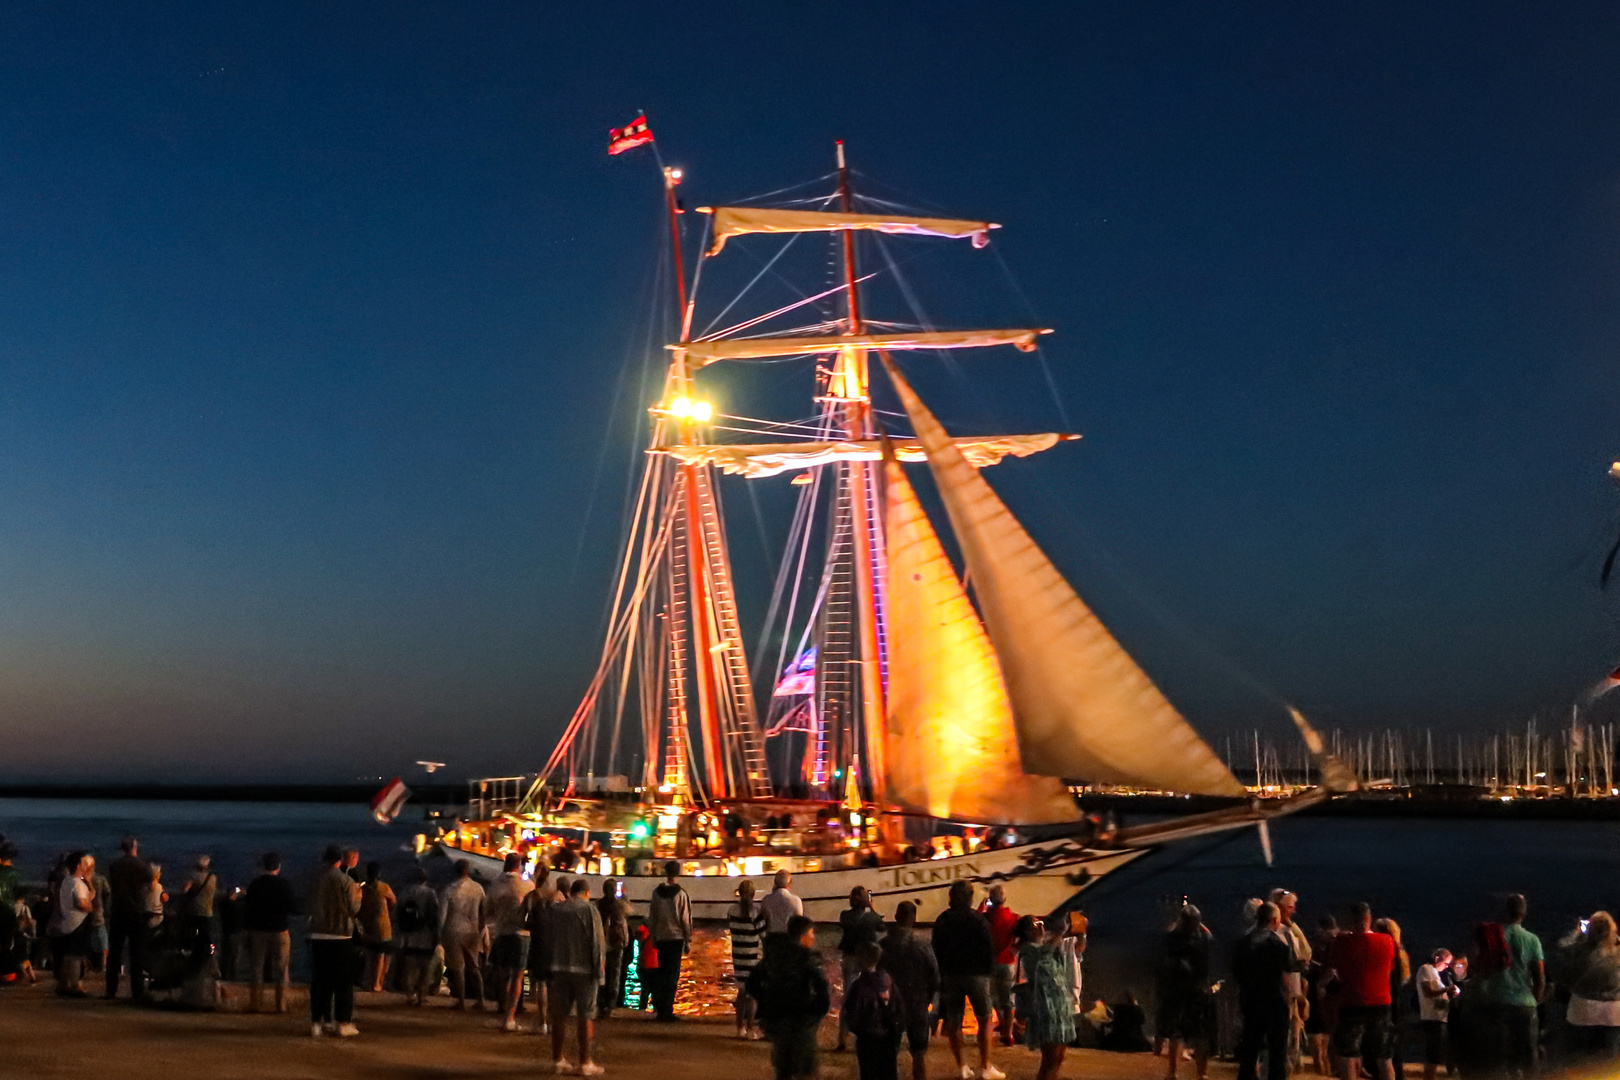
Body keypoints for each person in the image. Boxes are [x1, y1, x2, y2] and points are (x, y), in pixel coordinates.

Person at [932, 880, 1004, 1080]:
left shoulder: (943, 919)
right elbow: (988, 949)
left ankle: (962, 1065)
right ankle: (985, 1066)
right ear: (971, 898)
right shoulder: (978, 920)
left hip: (951, 975)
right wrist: (989, 973)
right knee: (984, 1018)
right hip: (976, 975)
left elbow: (936, 948)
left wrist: (941, 974)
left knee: (954, 1020)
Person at [749, 914, 831, 1080]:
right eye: (811, 933)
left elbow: (752, 983)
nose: (813, 937)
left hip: (777, 1017)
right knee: (804, 1067)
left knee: (783, 1065)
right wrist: (815, 1014)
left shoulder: (774, 956)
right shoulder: (808, 958)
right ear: (803, 935)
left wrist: (765, 1002)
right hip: (801, 1020)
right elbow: (822, 990)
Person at [1325, 902, 1396, 1080]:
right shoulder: (1387, 941)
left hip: (1351, 1003)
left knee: (1348, 1055)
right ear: (1368, 918)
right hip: (1381, 1003)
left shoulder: (1341, 942)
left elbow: (1333, 968)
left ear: (1349, 920)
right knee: (1384, 1057)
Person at [548, 877, 606, 1076]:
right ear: (587, 893)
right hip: (584, 970)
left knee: (559, 1015)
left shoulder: (556, 910)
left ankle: (557, 1059)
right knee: (585, 1016)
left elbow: (547, 939)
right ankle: (585, 1062)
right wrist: (600, 972)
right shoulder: (590, 911)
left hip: (558, 967)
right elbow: (597, 943)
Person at [1233, 901, 1297, 1080]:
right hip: (1274, 1002)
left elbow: (1237, 973)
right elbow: (1287, 976)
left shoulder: (1242, 943)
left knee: (1250, 1049)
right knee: (1277, 1052)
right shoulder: (1279, 946)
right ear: (1275, 920)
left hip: (1250, 1001)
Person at [880, 900, 941, 1080]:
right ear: (914, 918)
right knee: (919, 1054)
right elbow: (935, 977)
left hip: (891, 1004)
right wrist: (928, 1000)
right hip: (917, 1002)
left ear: (896, 917)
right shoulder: (922, 945)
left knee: (889, 1053)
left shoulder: (884, 944)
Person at [306, 844, 362, 1036]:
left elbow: (308, 905)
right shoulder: (346, 881)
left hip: (318, 934)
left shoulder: (315, 880)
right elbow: (353, 908)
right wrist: (359, 894)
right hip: (341, 935)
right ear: (340, 861)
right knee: (343, 982)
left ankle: (317, 1021)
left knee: (320, 980)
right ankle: (342, 1022)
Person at [1015, 914, 1079, 1080]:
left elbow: (1062, 968)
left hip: (1059, 1005)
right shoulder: (1028, 949)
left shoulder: (1046, 947)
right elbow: (1041, 957)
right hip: (1046, 1008)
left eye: (1040, 924)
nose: (1040, 928)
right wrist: (1059, 934)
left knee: (1058, 1058)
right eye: (1034, 926)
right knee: (1050, 1059)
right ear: (1025, 932)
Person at [1159, 903, 1213, 1080]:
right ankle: (1201, 1073)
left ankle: (1172, 1072)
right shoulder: (1203, 938)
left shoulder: (1173, 937)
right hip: (1197, 989)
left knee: (1176, 1032)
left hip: (1177, 990)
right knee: (1200, 1033)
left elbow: (1164, 963)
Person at [243, 852, 297, 1013]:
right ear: (278, 867)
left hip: (258, 930)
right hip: (279, 930)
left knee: (256, 968)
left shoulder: (255, 885)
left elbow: (248, 907)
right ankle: (280, 1004)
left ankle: (255, 1004)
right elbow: (291, 907)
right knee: (281, 968)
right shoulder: (284, 885)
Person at [486, 853, 534, 1030]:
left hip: (501, 933)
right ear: (519, 865)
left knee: (503, 975)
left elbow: (488, 911)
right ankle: (510, 1016)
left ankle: (503, 1007)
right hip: (521, 934)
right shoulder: (527, 886)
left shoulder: (494, 885)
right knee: (517, 977)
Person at [1563, 910, 1620, 1059]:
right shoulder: (1617, 949)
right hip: (1611, 1014)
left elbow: (1563, 949)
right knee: (1606, 1065)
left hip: (1581, 1011)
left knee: (1578, 1061)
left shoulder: (1579, 948)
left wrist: (1577, 934)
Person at [844, 940, 904, 1080]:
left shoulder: (859, 986)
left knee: (869, 1073)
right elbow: (899, 1006)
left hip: (868, 1038)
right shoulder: (888, 981)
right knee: (889, 1072)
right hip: (888, 1036)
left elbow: (852, 1012)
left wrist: (857, 1029)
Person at [837, 886, 886, 1052]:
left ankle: (842, 1037)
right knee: (871, 994)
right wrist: (871, 907)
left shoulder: (845, 916)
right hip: (867, 959)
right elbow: (881, 927)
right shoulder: (871, 918)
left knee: (848, 996)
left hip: (850, 957)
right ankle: (868, 1030)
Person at [1270, 889, 1313, 1071]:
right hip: (1277, 988)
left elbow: (1306, 952)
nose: (1293, 911)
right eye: (1289, 907)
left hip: (1291, 987)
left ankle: (1292, 1060)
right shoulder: (1275, 931)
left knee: (1294, 1025)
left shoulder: (1290, 929)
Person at [439, 858, 488, 1011]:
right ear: (468, 871)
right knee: (475, 967)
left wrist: (439, 935)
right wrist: (481, 930)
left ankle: (461, 1001)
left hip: (453, 931)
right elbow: (484, 913)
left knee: (458, 968)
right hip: (472, 931)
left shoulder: (449, 890)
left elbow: (442, 916)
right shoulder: (478, 888)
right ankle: (481, 1000)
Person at [646, 860, 692, 1021]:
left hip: (661, 937)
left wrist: (653, 936)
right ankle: (668, 1011)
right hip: (676, 938)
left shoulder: (656, 893)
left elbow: (652, 917)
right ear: (678, 873)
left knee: (661, 973)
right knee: (672, 975)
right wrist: (688, 940)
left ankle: (660, 1009)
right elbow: (685, 920)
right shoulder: (681, 894)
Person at [105, 837, 148, 999]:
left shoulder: (115, 866)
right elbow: (149, 880)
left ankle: (111, 990)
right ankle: (137, 991)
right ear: (135, 847)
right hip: (136, 912)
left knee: (115, 952)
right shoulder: (141, 866)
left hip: (118, 911)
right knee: (137, 953)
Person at [48, 851, 94, 997]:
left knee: (65, 955)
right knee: (75, 955)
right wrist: (90, 907)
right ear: (79, 865)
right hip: (76, 923)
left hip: (63, 922)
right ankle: (74, 985)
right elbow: (81, 903)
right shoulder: (77, 883)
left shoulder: (65, 881)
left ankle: (64, 984)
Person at [979, 885, 1019, 1048]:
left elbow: (975, 919)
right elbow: (1022, 932)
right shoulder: (1013, 917)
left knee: (993, 997)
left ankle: (1001, 1022)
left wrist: (982, 904)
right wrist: (1016, 948)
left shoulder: (985, 918)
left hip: (989, 962)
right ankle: (1007, 1033)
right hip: (1007, 961)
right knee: (1008, 999)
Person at [394, 866, 441, 1006]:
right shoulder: (430, 893)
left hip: (408, 936)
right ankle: (421, 996)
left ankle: (409, 995)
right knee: (424, 968)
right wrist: (436, 934)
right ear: (425, 880)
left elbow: (397, 913)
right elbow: (434, 915)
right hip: (425, 936)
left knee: (409, 967)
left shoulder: (404, 893)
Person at [728, 878, 768, 1039]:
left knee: (741, 991)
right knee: (752, 994)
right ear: (752, 894)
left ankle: (739, 1028)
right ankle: (750, 1028)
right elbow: (763, 934)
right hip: (752, 956)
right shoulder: (756, 912)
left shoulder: (732, 910)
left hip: (738, 955)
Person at [1371, 918, 1410, 1080]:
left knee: (1381, 1049)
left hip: (1383, 1001)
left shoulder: (1384, 951)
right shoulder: (1400, 953)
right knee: (1394, 1049)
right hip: (1396, 1003)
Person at [1415, 948, 1457, 1080]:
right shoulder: (1425, 969)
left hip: (1439, 1019)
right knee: (1433, 1054)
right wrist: (1447, 989)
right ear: (1438, 958)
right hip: (1432, 1019)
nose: (1446, 967)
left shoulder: (1434, 973)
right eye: (1446, 963)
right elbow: (1428, 992)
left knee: (1435, 1055)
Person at [356, 862, 395, 993]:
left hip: (367, 926)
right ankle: (377, 983)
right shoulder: (383, 887)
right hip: (382, 927)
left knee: (370, 954)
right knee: (380, 955)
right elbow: (393, 901)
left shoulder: (363, 888)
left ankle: (367, 982)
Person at [597, 878, 632, 1020]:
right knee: (615, 975)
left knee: (602, 974)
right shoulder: (618, 905)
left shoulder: (598, 905)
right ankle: (611, 1006)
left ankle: (601, 1004)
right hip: (616, 942)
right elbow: (629, 910)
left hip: (602, 943)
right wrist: (624, 895)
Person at [760, 869, 803, 952]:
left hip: (772, 938)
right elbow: (799, 922)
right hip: (789, 938)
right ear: (789, 884)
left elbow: (764, 919)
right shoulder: (796, 901)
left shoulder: (766, 900)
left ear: (775, 882)